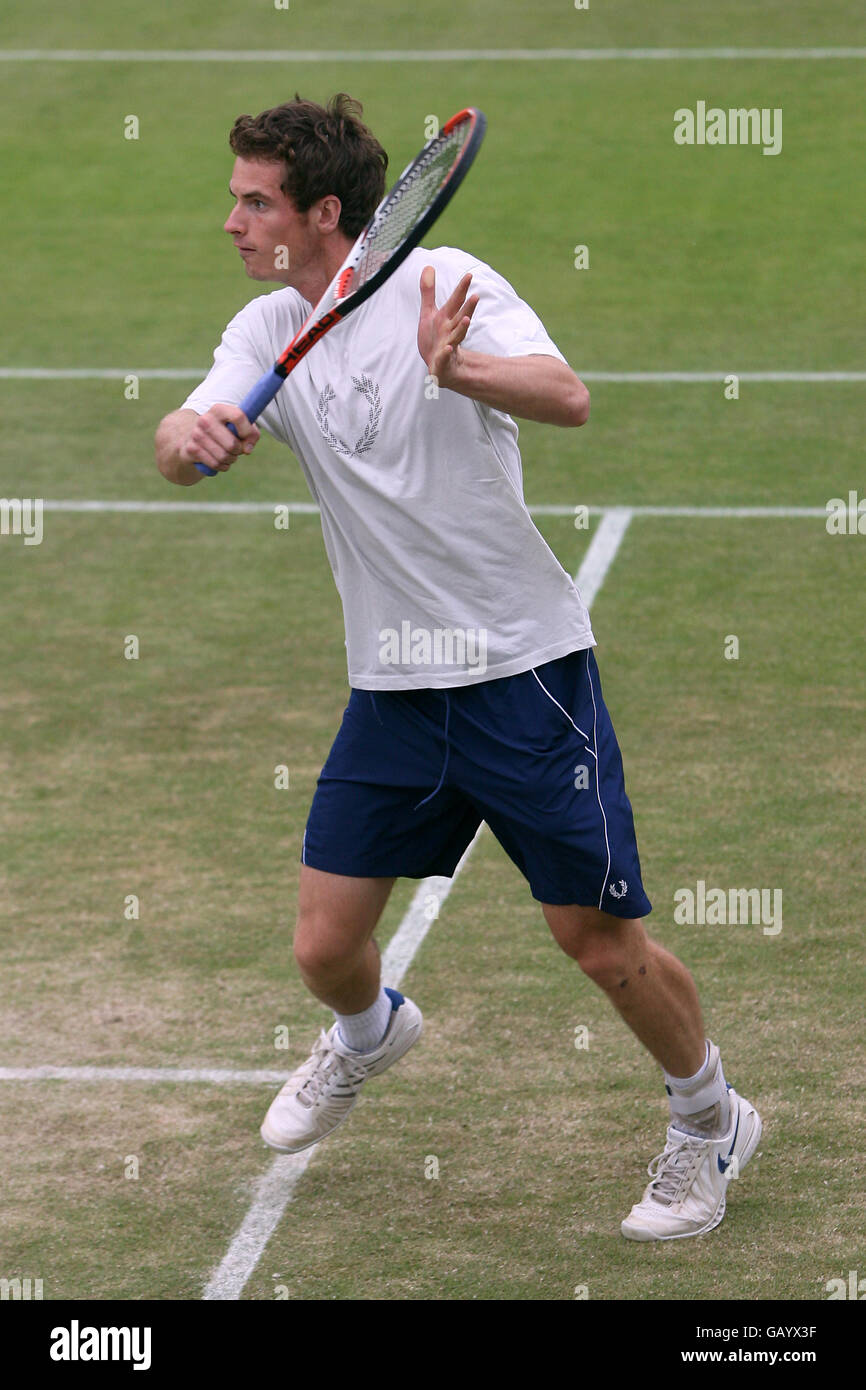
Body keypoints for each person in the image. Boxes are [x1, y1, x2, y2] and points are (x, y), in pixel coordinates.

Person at [155, 93, 761, 1242]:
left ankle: (708, 1118)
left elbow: (566, 397)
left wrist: (459, 369)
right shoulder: (266, 328)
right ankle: (370, 1034)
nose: (230, 221)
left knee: (592, 938)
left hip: (518, 672)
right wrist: (190, 442)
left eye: (252, 202)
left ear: (323, 211)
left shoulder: (448, 282)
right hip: (391, 685)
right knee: (324, 948)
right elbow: (183, 441)